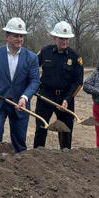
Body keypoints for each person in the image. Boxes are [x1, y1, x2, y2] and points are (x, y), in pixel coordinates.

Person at [0, 17, 40, 152]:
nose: (19, 39)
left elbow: (35, 81)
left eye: (21, 36)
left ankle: (20, 166)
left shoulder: (31, 57)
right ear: (7, 36)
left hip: (20, 103)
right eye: (15, 36)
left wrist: (25, 97)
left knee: (19, 137)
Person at [33, 21, 84, 149]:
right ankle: (37, 156)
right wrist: (33, 86)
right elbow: (31, 68)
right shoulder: (45, 52)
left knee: (65, 131)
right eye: (62, 38)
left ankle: (65, 157)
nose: (65, 42)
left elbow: (78, 82)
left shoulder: (76, 57)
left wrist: (67, 99)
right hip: (45, 97)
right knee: (41, 128)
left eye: (67, 39)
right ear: (55, 37)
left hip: (65, 99)